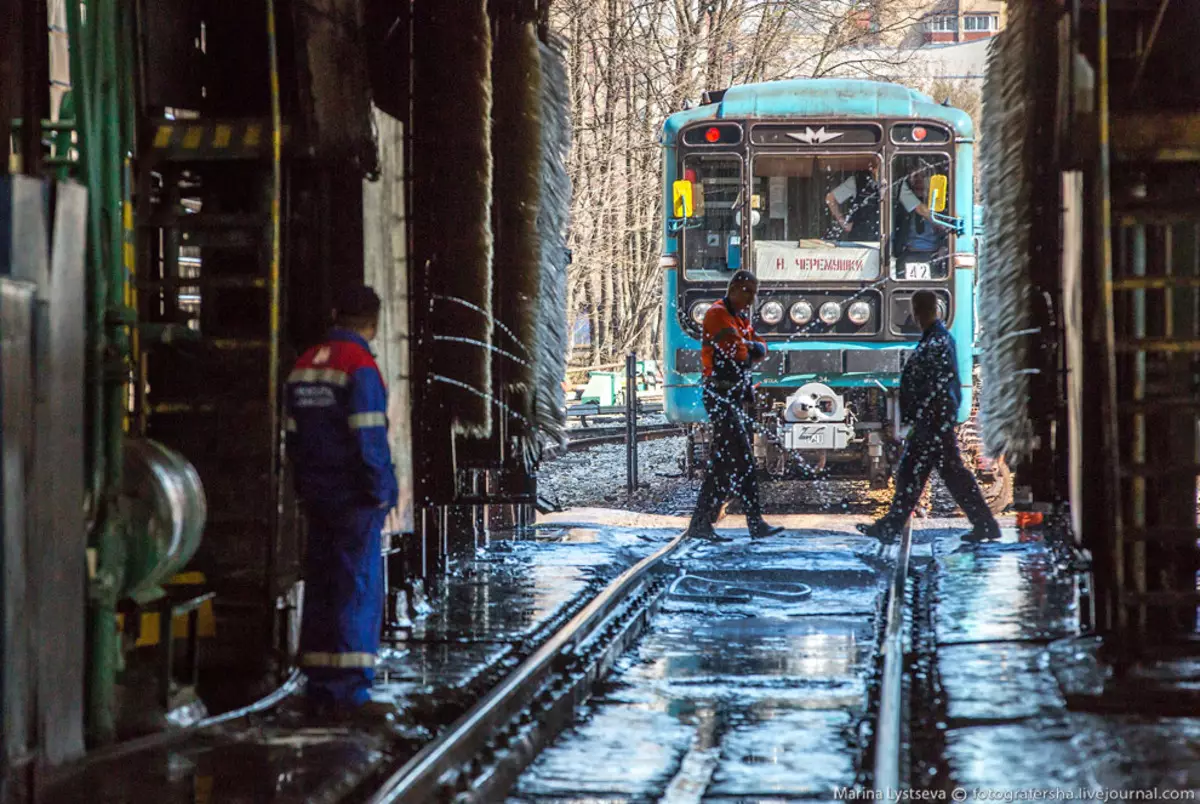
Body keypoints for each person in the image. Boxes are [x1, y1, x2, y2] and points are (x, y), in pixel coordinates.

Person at [285, 283, 400, 724]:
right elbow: (369, 438)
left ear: (336, 314)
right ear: (372, 322)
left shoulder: (303, 366)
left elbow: (294, 438)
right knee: (357, 588)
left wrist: (306, 484)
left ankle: (318, 683)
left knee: (321, 586)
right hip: (354, 498)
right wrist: (380, 491)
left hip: (317, 494)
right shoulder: (359, 366)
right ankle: (350, 692)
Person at [857, 290, 1001, 543]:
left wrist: (927, 417)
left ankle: (985, 524)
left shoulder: (937, 341)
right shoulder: (937, 339)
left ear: (918, 312)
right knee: (921, 474)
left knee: (929, 474)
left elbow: (935, 385)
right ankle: (983, 524)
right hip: (933, 420)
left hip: (932, 422)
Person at [685, 270, 785, 542]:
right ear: (736, 289)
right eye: (749, 292)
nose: (753, 299)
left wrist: (752, 347)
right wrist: (752, 348)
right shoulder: (718, 315)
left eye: (755, 293)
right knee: (741, 461)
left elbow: (761, 348)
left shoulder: (738, 317)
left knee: (727, 464)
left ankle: (706, 524)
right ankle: (749, 523)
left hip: (731, 397)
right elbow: (739, 352)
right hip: (720, 397)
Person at [893, 169, 952, 279]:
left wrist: (944, 246)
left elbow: (948, 230)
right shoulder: (903, 197)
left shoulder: (941, 203)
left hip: (933, 254)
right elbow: (921, 210)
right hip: (908, 253)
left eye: (923, 176)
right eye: (915, 176)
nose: (918, 180)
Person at [825, 161, 882, 241]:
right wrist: (844, 223)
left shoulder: (893, 183)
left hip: (886, 242)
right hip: (860, 240)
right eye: (876, 164)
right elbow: (830, 199)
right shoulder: (857, 181)